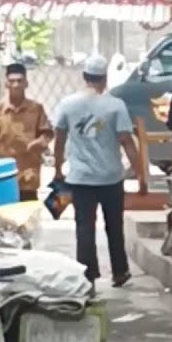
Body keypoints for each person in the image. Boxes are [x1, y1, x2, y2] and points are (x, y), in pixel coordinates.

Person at [54, 55, 145, 287]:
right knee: (114, 226)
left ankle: (87, 275)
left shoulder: (67, 104)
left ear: (84, 77)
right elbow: (127, 141)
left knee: (84, 227)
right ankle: (120, 271)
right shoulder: (115, 106)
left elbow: (59, 139)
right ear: (104, 79)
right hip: (111, 178)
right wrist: (141, 174)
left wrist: (57, 169)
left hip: (81, 178)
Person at [0, 63, 54, 201]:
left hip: (28, 177)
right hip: (4, 177)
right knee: (4, 219)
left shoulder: (36, 109)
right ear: (6, 83)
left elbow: (47, 133)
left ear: (26, 83)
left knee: (28, 219)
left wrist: (41, 142)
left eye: (20, 81)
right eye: (12, 81)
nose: (16, 85)